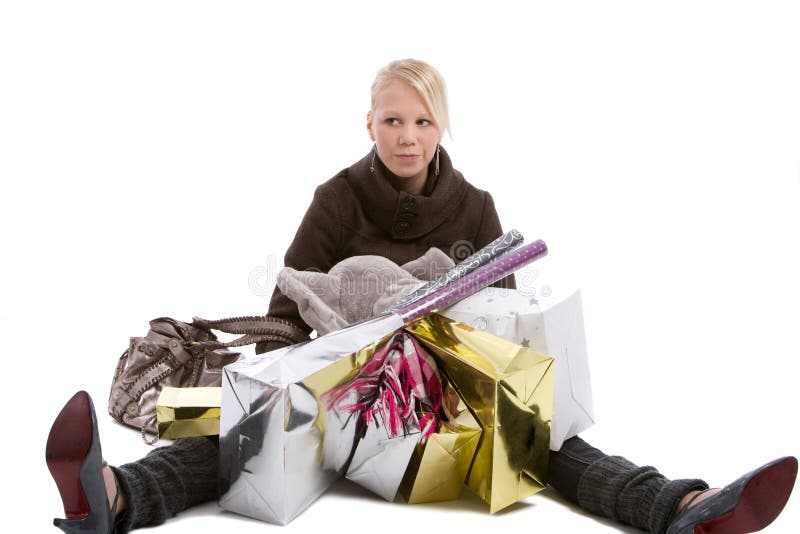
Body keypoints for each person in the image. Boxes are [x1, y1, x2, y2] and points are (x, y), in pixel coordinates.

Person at [45, 58, 797, 534]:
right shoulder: (335, 199)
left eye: (422, 120)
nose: (407, 137)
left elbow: (504, 324)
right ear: (368, 123)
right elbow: (284, 313)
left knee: (546, 446)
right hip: (342, 393)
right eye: (392, 120)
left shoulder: (476, 205)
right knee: (242, 442)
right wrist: (313, 364)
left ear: (442, 125)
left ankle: (685, 511)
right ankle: (108, 496)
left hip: (442, 394)